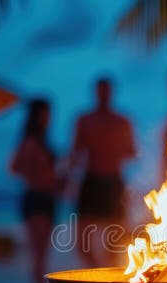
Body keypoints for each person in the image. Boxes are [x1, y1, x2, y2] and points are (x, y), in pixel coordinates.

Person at [67, 78, 136, 267]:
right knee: (82, 243)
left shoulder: (121, 121)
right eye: (101, 91)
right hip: (91, 181)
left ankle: (107, 281)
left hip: (113, 182)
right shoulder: (84, 120)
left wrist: (112, 147)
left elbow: (132, 151)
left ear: (112, 92)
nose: (104, 95)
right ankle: (97, 274)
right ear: (96, 92)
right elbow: (75, 152)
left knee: (114, 242)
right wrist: (66, 179)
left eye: (107, 90)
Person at [10, 99, 59, 283]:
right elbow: (14, 167)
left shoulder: (43, 140)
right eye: (44, 113)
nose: (48, 118)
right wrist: (35, 173)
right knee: (38, 252)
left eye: (48, 113)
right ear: (36, 115)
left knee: (43, 251)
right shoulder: (30, 141)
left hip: (47, 198)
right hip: (36, 197)